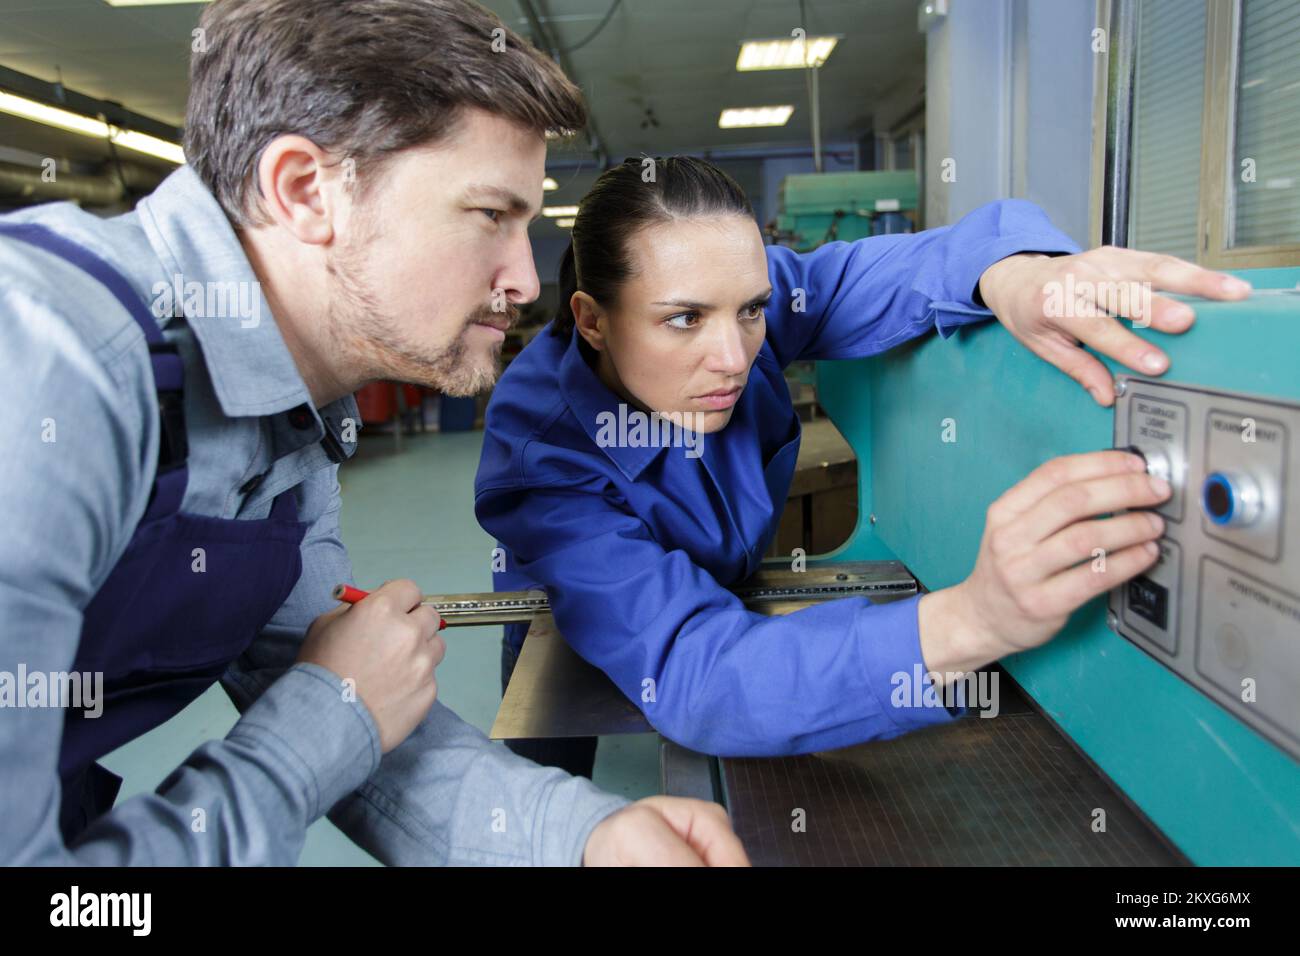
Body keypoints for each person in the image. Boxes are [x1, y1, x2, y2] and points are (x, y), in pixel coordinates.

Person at [0, 0, 747, 867]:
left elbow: (370, 727)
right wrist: (326, 717)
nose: (522, 279)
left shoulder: (293, 416)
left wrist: (585, 837)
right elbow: (339, 707)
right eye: (489, 217)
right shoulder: (50, 370)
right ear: (306, 191)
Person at [475, 156, 1251, 773]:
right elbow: (694, 673)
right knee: (545, 760)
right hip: (577, 615)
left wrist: (1015, 273)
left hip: (722, 588)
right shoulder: (542, 456)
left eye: (751, 310)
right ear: (593, 322)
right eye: (682, 320)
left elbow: (888, 271)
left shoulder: (737, 302)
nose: (733, 355)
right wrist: (972, 621)